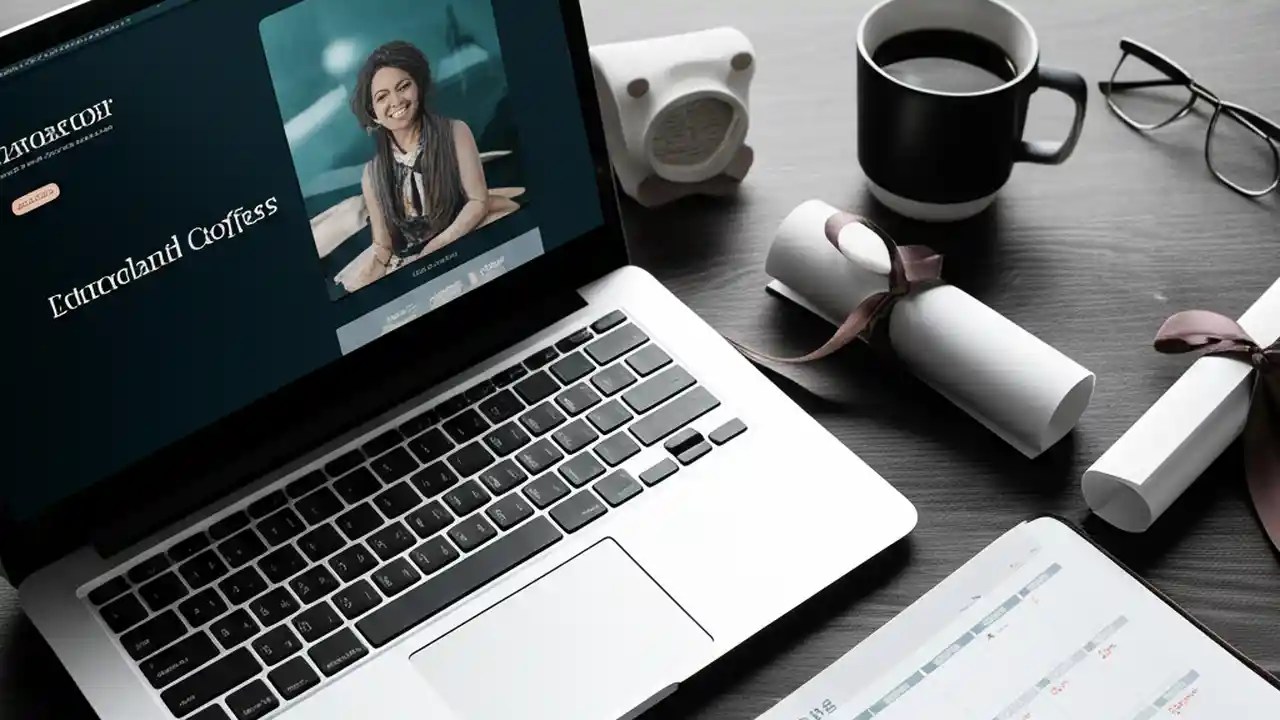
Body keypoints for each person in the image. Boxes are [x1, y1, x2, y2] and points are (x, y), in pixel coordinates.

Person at [349, 41, 489, 283]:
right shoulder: (371, 175)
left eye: (403, 86)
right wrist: (366, 278)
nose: (396, 101)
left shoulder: (455, 132)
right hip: (416, 261)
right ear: (373, 113)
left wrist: (439, 246)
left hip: (467, 237)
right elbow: (383, 244)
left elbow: (478, 201)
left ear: (419, 86)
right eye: (382, 97)